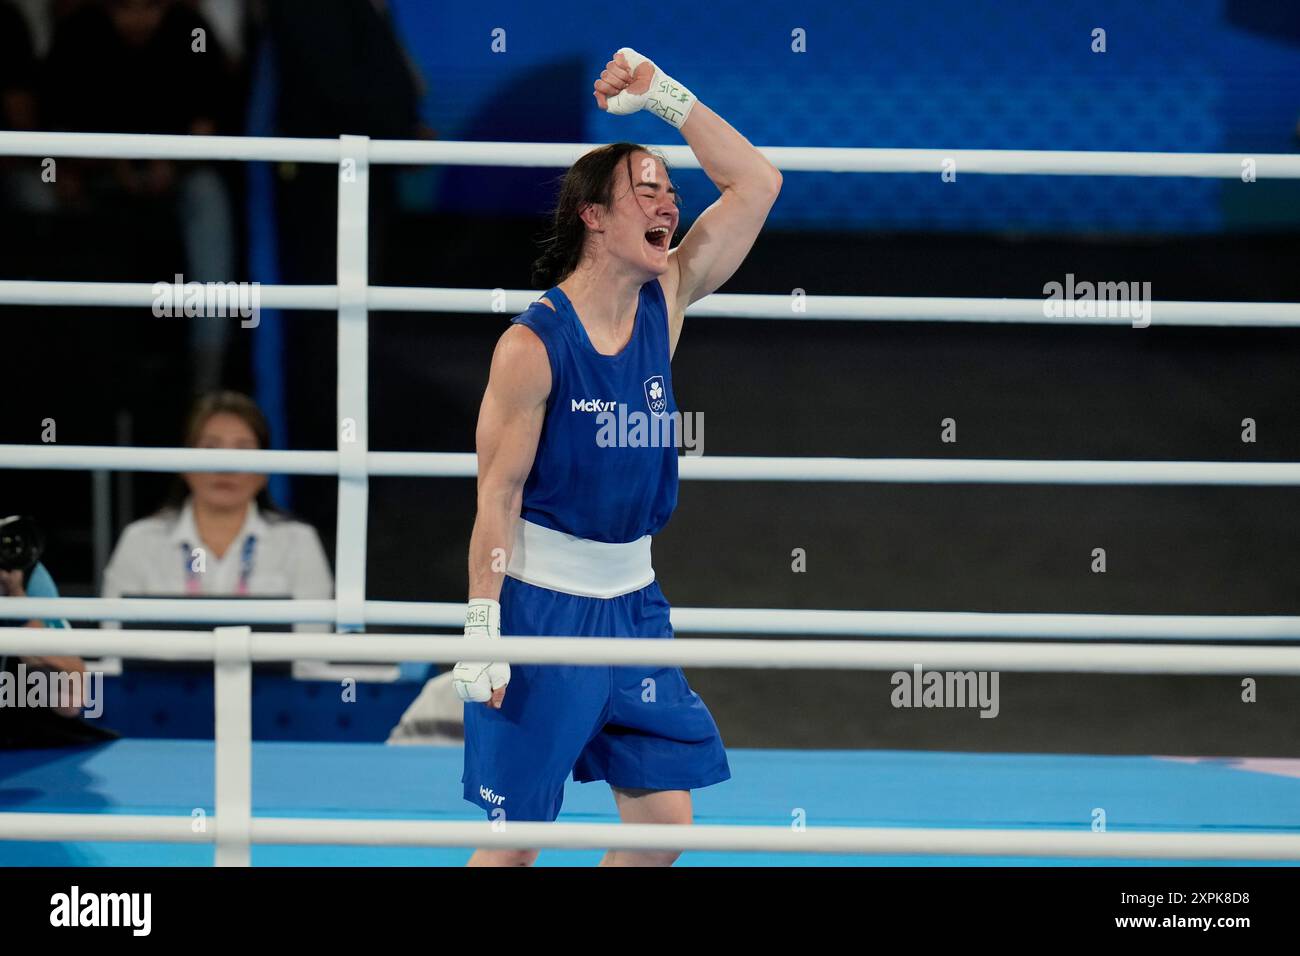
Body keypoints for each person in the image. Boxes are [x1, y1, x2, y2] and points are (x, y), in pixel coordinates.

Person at [455, 49, 782, 866]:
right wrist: (483, 625)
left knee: (663, 835)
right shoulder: (532, 346)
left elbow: (757, 184)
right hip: (543, 611)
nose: (669, 201)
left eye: (671, 192)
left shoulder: (663, 304)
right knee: (513, 849)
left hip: (635, 604)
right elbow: (496, 496)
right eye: (647, 189)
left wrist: (666, 99)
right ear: (593, 216)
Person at [102, 392, 333, 613]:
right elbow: (115, 641)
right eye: (211, 448)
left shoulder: (298, 542)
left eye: (243, 449)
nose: (225, 465)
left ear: (264, 471)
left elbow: (312, 644)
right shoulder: (141, 541)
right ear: (184, 462)